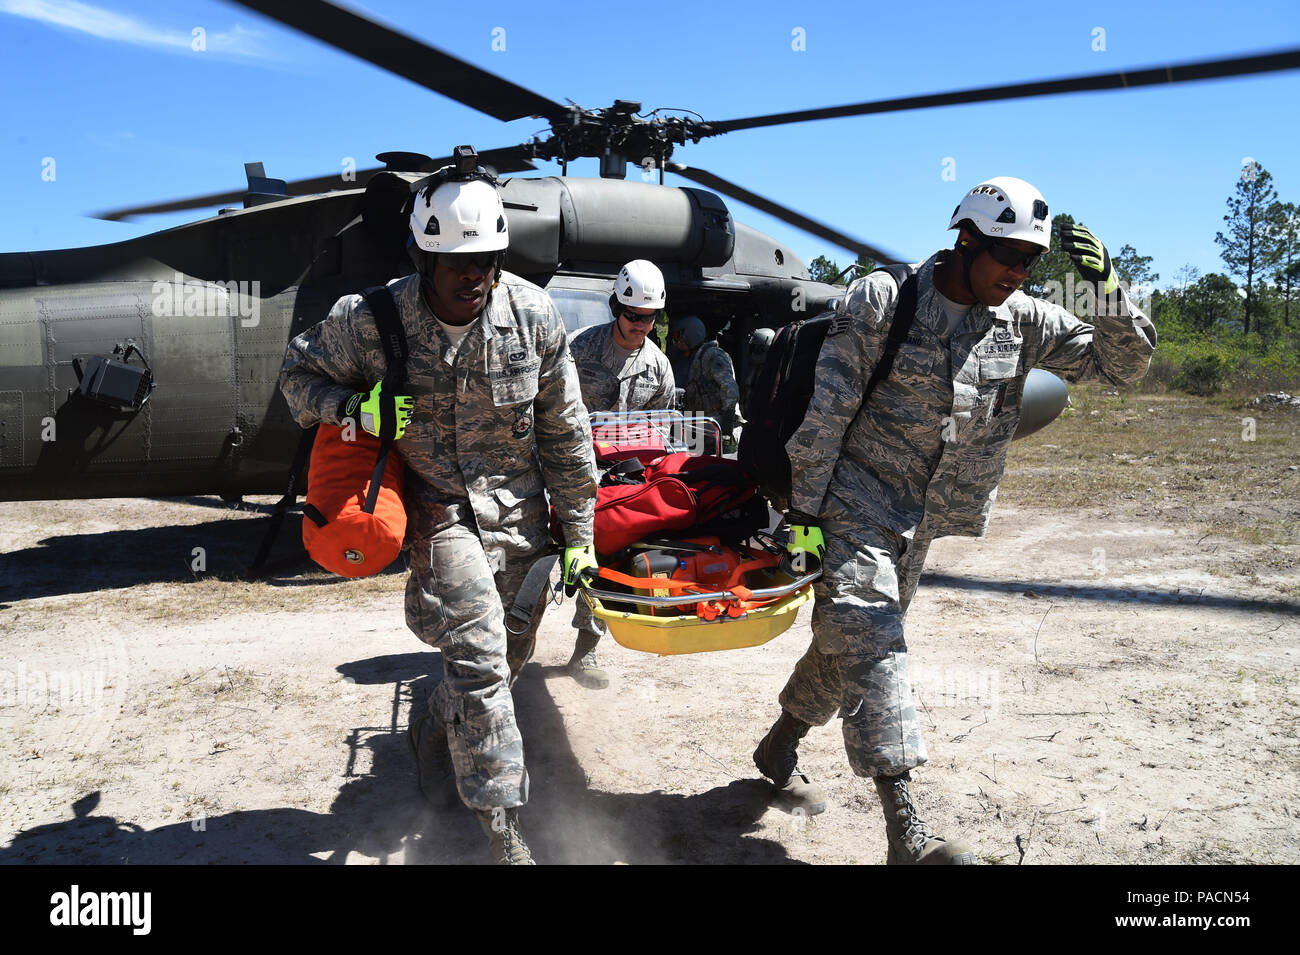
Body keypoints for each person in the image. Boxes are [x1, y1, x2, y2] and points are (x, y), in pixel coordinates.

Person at [753, 176, 1156, 864]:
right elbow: (826, 414)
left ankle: (782, 738)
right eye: (1007, 255)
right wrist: (805, 518)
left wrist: (1107, 288)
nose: (1019, 272)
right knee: (872, 636)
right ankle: (907, 828)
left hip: (923, 514)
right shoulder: (886, 298)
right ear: (965, 238)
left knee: (847, 636)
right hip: (853, 495)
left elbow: (1124, 367)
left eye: (1032, 261)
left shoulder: (1023, 317)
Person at [278, 153, 598, 865]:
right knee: (482, 657)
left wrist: (580, 532)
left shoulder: (534, 316)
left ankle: (436, 722)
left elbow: (565, 429)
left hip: (521, 513)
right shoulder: (371, 319)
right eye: (457, 263)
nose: (473, 277)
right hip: (441, 511)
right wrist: (357, 411)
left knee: (507, 656)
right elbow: (296, 378)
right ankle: (504, 831)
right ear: (424, 258)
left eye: (485, 260)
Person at [564, 259, 676, 689]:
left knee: (606, 561)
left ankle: (586, 651)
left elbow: (663, 430)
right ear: (617, 307)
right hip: (572, 469)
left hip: (622, 480)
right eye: (633, 316)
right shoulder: (580, 349)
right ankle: (514, 638)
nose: (640, 326)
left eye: (649, 318)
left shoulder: (659, 367)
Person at [670, 316, 742, 454]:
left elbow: (730, 389)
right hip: (704, 429)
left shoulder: (712, 356)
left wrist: (727, 422)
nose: (675, 341)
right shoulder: (691, 360)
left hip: (721, 430)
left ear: (691, 336)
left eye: (677, 336)